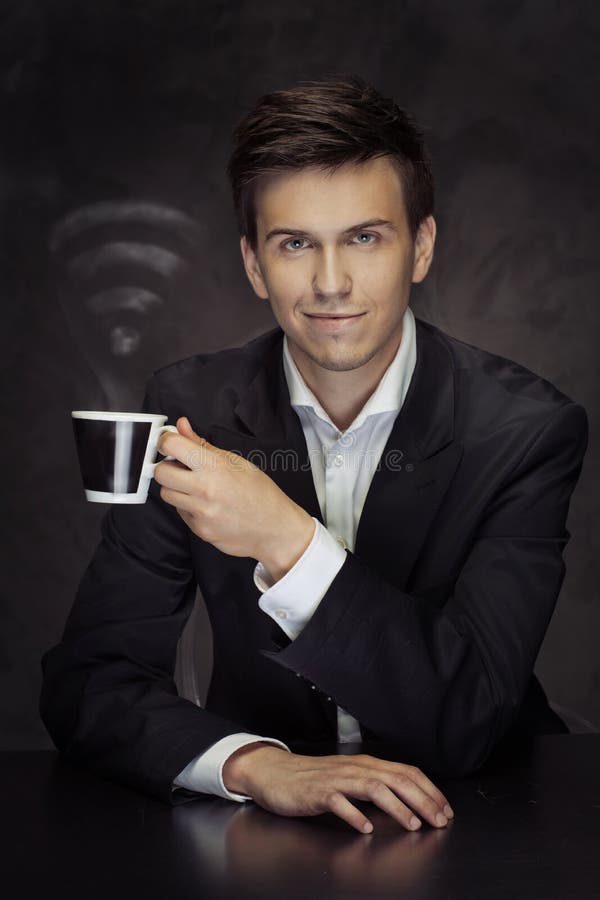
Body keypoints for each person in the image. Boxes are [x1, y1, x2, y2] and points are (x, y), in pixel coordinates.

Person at [40, 76, 588, 835]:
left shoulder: (527, 430)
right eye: (296, 244)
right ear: (255, 265)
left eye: (365, 237)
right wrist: (254, 765)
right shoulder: (187, 403)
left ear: (421, 247)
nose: (331, 284)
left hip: (491, 822)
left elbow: (469, 717)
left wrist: (285, 540)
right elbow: (90, 682)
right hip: (261, 831)